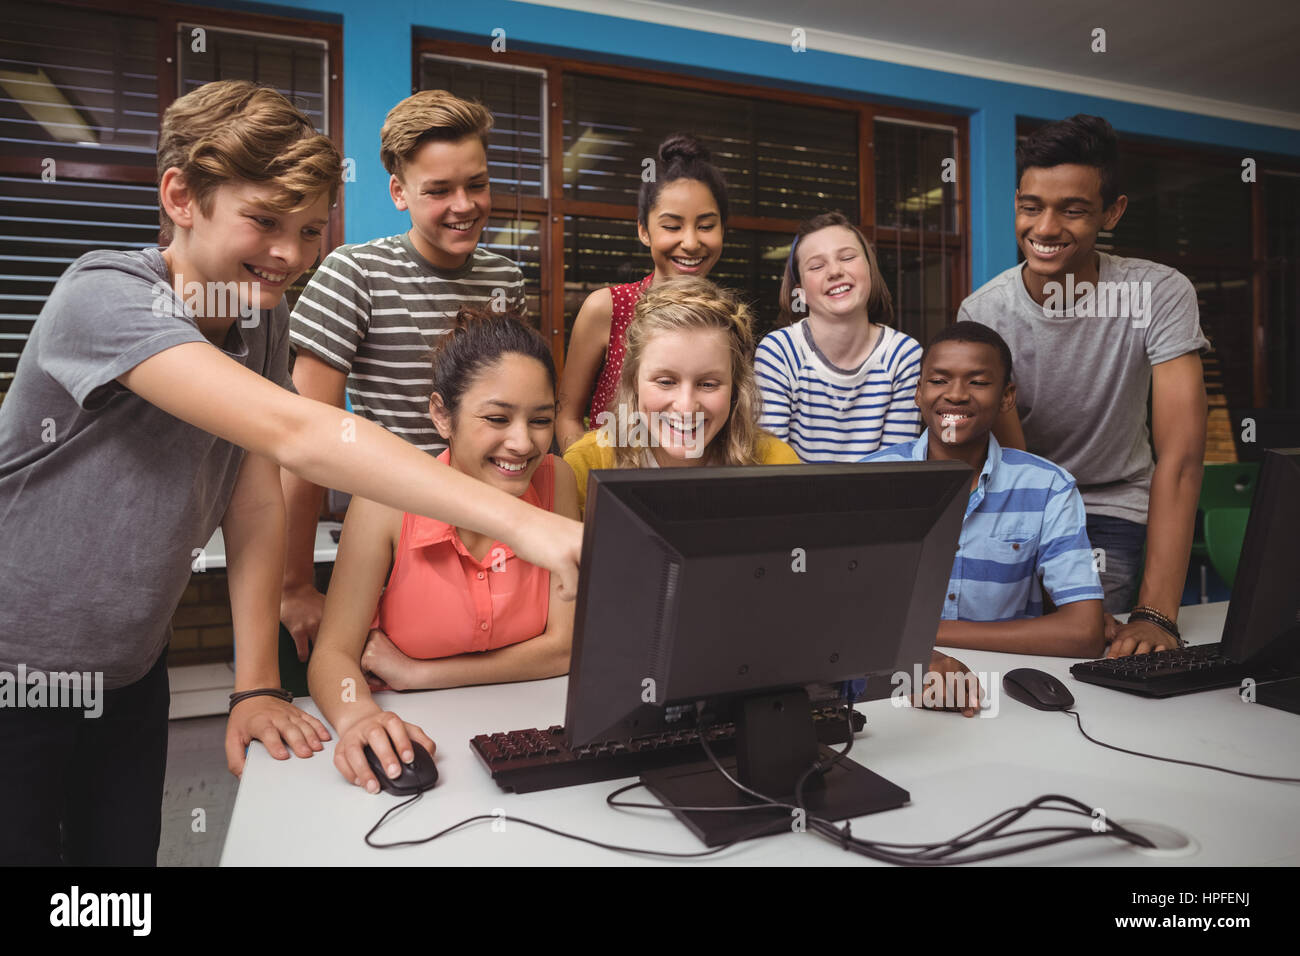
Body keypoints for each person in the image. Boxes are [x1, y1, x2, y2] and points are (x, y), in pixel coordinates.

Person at [0, 81, 579, 866]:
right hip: (16, 666)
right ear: (181, 196)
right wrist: (526, 521)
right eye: (264, 221)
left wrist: (258, 684)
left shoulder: (258, 315)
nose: (290, 255)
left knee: (117, 879)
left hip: (131, 668)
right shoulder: (103, 297)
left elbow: (251, 493)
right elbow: (298, 431)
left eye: (308, 230)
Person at [280, 90, 528, 662]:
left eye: (477, 184)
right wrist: (293, 585)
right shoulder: (353, 274)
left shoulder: (505, 278)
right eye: (438, 190)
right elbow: (304, 441)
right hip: (385, 540)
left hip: (482, 529)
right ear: (399, 193)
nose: (463, 205)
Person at [958, 114, 1207, 658]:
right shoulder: (985, 312)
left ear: (1111, 212)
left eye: (1072, 210)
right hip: (1024, 501)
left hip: (1111, 503)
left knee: (1106, 655)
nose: (1045, 229)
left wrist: (1155, 614)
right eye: (1031, 207)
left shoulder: (1158, 293)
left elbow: (1182, 459)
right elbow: (1013, 464)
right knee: (1023, 645)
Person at [309, 309, 578, 792]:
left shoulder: (558, 479)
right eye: (497, 418)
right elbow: (332, 655)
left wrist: (419, 674)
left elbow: (563, 650)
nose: (522, 443)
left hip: (531, 740)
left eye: (541, 420)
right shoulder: (385, 499)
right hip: (426, 739)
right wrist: (359, 720)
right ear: (441, 414)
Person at [863, 323, 1105, 657]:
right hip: (892, 683)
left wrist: (927, 632)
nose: (957, 394)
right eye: (938, 381)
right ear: (919, 393)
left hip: (1009, 684)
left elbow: (1084, 633)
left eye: (977, 382)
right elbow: (838, 612)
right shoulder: (871, 481)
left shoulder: (1049, 487)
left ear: (1007, 396)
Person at [563, 276, 799, 516]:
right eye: (666, 382)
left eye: (708, 384)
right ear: (634, 381)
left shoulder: (776, 464)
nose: (686, 407)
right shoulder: (585, 467)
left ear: (736, 387)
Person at [556, 134, 729, 452]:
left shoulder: (728, 320)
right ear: (644, 231)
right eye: (672, 227)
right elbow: (567, 416)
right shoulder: (607, 308)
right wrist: (590, 476)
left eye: (706, 226)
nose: (690, 242)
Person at [756, 211, 922, 462]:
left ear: (870, 270)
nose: (834, 271)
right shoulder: (779, 352)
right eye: (816, 266)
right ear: (800, 293)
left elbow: (894, 469)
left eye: (847, 257)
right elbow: (773, 470)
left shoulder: (904, 354)